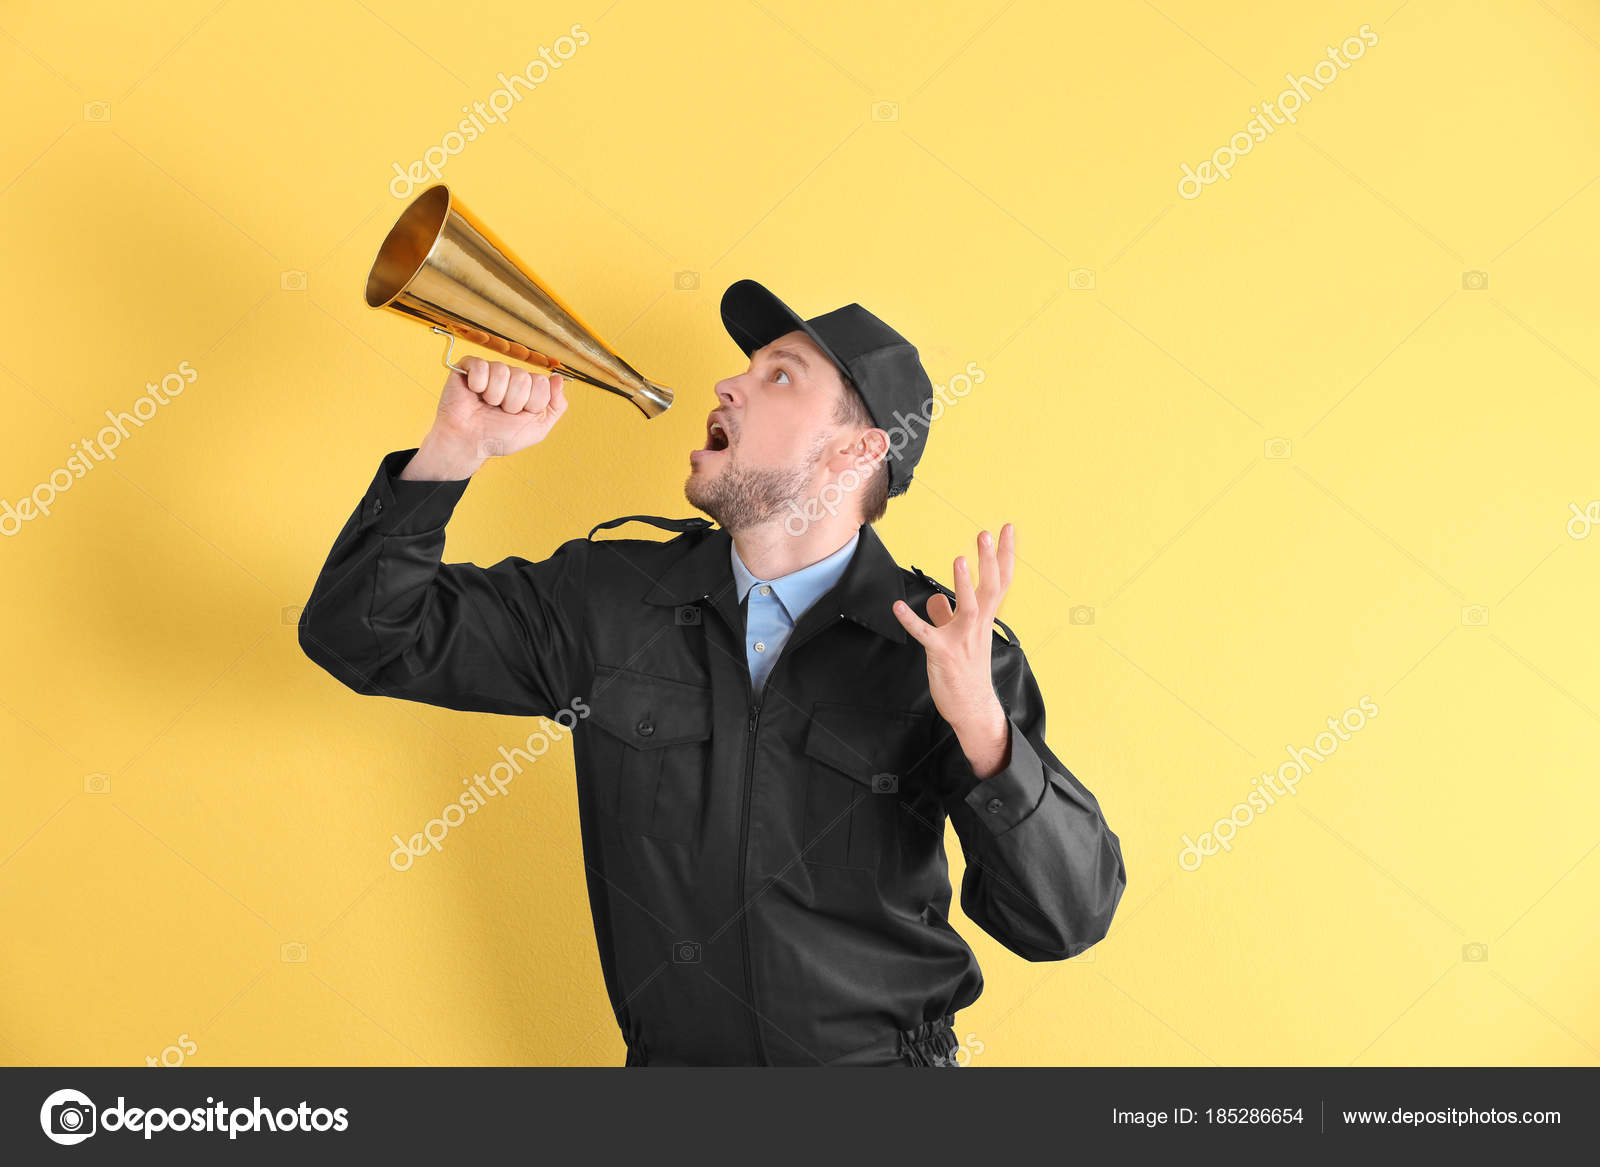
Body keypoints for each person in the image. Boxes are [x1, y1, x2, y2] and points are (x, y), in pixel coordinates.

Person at [298, 279, 1126, 1066]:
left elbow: (1067, 918)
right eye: (747, 365)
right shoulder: (606, 599)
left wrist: (983, 726)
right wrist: (454, 450)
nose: (729, 383)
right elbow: (362, 636)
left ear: (858, 447)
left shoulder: (945, 647)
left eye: (778, 374)